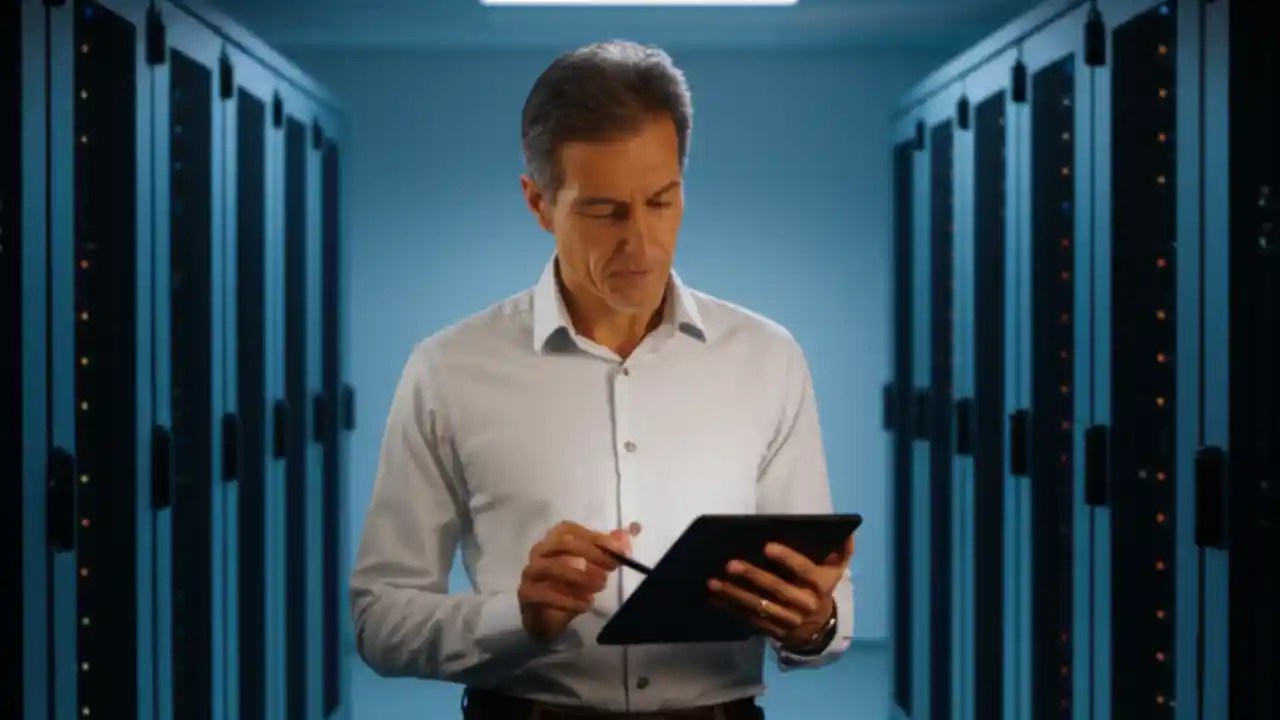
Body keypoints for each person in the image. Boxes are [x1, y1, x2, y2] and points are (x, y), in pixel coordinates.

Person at [349, 39, 855, 720]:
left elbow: (825, 616)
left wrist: (813, 622)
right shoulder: (447, 369)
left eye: (661, 200)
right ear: (539, 203)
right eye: (604, 210)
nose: (641, 244)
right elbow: (380, 623)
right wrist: (516, 617)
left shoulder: (768, 357)